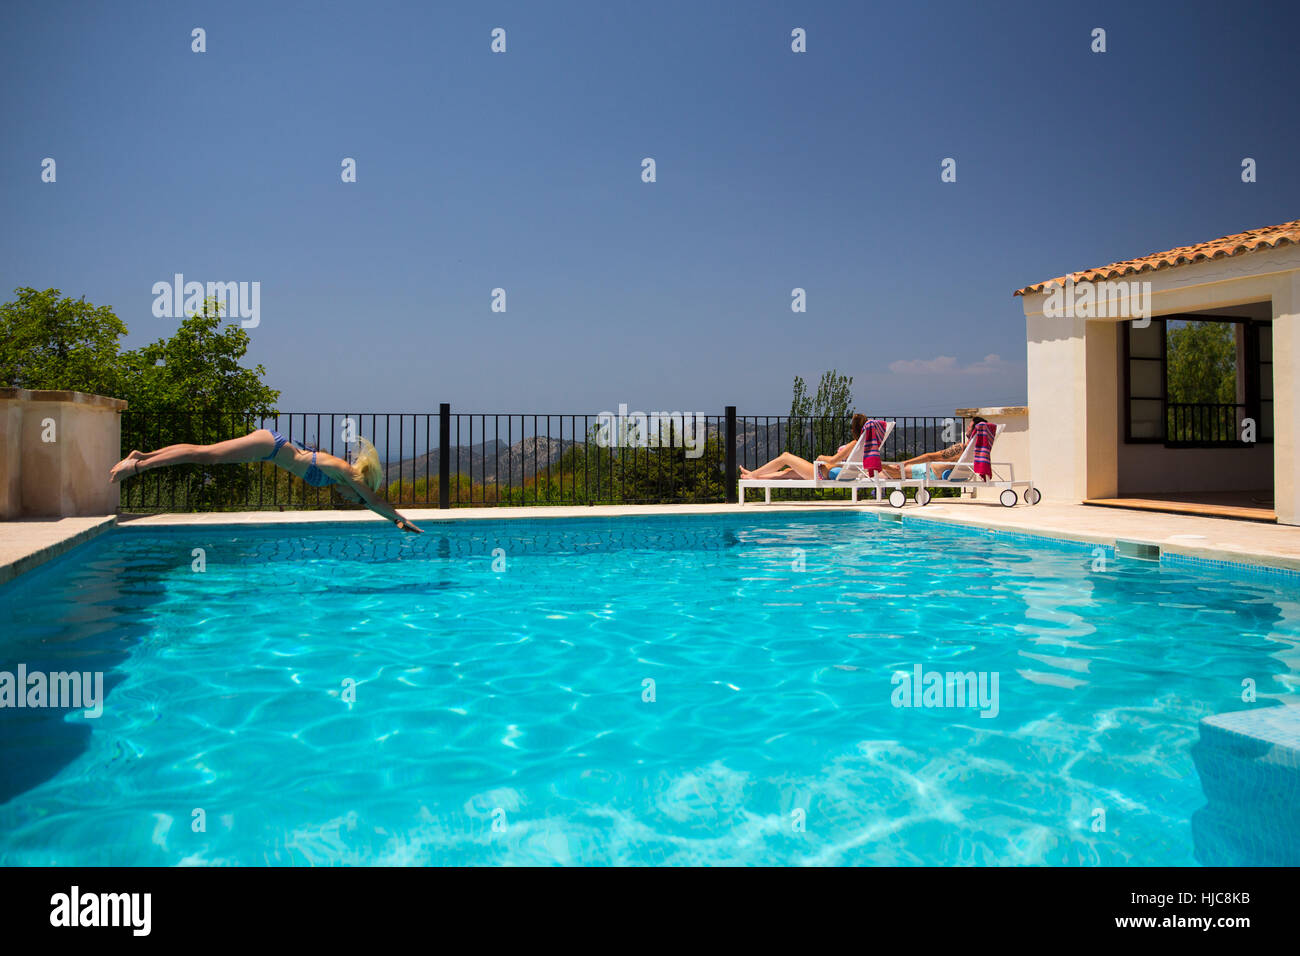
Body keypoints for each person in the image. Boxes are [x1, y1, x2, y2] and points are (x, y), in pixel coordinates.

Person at [109, 429, 424, 532]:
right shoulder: (350, 473)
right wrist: (399, 521)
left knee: (205, 454)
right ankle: (138, 466)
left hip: (269, 450)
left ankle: (143, 456)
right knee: (207, 455)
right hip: (269, 446)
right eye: (353, 498)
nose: (348, 499)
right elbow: (374, 501)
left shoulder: (338, 476)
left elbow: (369, 501)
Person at [740, 413, 872, 480]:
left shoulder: (855, 443)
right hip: (828, 473)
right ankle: (754, 475)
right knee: (787, 472)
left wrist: (821, 457)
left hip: (820, 473)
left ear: (853, 429)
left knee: (785, 457)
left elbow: (833, 460)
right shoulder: (867, 444)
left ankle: (753, 474)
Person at [881, 417, 988, 480]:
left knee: (894, 470)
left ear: (974, 430)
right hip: (933, 471)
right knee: (892, 470)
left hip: (928, 471)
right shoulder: (979, 451)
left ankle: (873, 467)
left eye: (969, 426)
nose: (967, 428)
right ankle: (873, 469)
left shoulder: (960, 448)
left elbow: (929, 456)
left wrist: (905, 462)